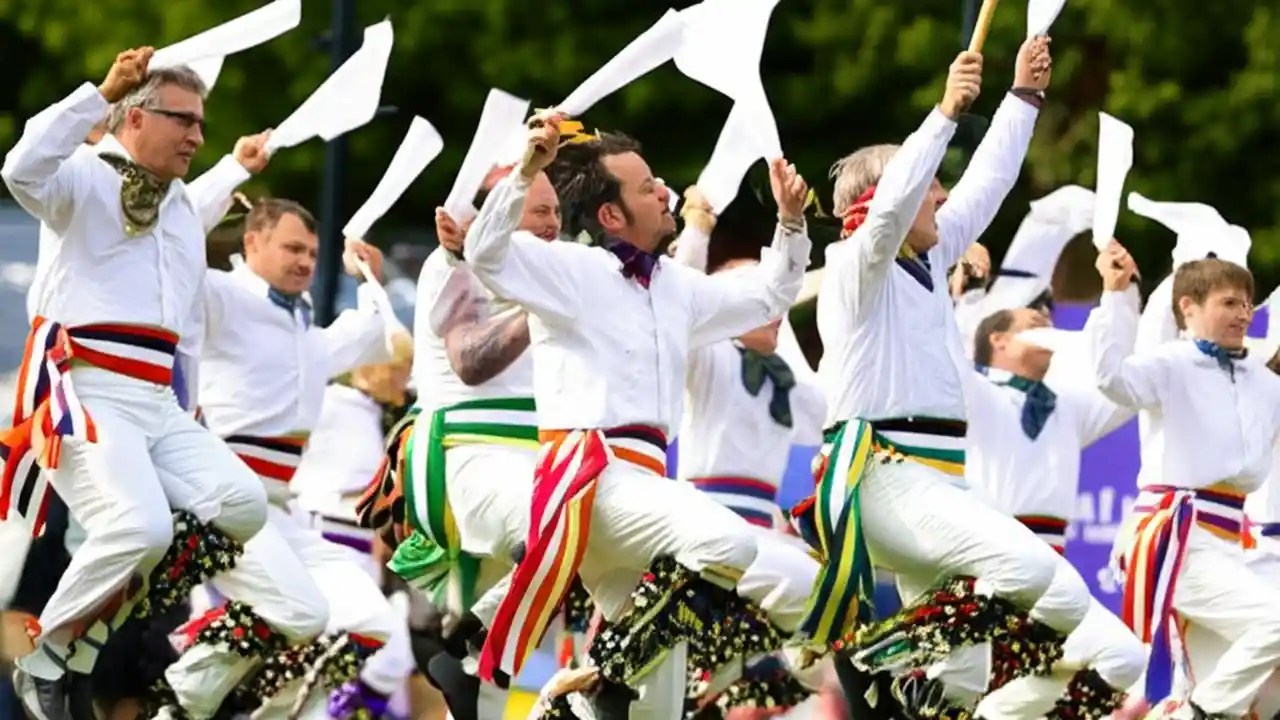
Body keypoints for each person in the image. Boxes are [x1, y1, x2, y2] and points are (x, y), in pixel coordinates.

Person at [460, 111, 812, 718]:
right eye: (647, 186)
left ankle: (574, 699)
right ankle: (591, 682)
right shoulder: (573, 268)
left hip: (640, 494)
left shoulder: (676, 284)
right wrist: (525, 171)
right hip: (587, 477)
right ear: (611, 215)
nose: (664, 191)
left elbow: (768, 296)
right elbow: (485, 255)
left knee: (662, 705)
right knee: (727, 542)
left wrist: (790, 222)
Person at [0, 48, 298, 720]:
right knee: (140, 526)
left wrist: (239, 167)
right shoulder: (78, 176)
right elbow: (19, 167)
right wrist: (97, 91)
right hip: (85, 389)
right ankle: (44, 655)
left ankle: (88, 636)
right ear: (132, 118)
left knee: (241, 505)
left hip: (156, 401)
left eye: (201, 123)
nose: (197, 134)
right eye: (183, 120)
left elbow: (199, 201)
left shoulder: (180, 207)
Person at [809, 37, 1088, 716]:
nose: (943, 195)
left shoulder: (927, 262)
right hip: (880, 472)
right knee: (1029, 573)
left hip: (941, 478)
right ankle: (868, 658)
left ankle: (902, 684)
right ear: (887, 199)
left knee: (962, 684)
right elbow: (891, 210)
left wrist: (1022, 96)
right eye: (931, 184)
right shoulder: (855, 264)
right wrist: (943, 114)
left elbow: (989, 183)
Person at [186, 197, 405, 717]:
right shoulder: (222, 294)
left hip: (280, 515)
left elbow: (378, 336)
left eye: (311, 251)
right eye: (292, 247)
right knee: (301, 615)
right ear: (252, 242)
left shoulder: (308, 339)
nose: (306, 260)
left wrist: (369, 277)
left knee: (373, 624)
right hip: (221, 502)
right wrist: (230, 175)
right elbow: (172, 252)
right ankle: (182, 699)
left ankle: (220, 702)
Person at [358, 163, 561, 720]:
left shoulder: (550, 275)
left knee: (501, 676)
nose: (553, 224)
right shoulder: (454, 266)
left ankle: (468, 656)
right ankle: (463, 645)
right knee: (561, 524)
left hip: (535, 462)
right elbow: (470, 363)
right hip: (466, 454)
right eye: (538, 211)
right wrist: (545, 307)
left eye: (556, 212)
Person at [1095, 247, 1280, 719]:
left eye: (1246, 303)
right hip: (1176, 537)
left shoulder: (1264, 382)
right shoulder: (1171, 363)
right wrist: (1115, 298)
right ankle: (1196, 713)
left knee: (1248, 690)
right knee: (1273, 628)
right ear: (1189, 307)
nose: (1242, 313)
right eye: (1228, 302)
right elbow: (1112, 379)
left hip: (1230, 541)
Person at [671, 188, 828, 713]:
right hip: (707, 527)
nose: (774, 311)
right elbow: (676, 303)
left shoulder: (791, 382)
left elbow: (837, 407)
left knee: (761, 690)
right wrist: (696, 230)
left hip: (763, 531)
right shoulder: (706, 356)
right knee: (694, 684)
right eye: (758, 300)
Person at [966, 305, 1146, 720]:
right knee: (980, 675)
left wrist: (1120, 295)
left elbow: (1125, 387)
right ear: (999, 339)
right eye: (1033, 323)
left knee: (1121, 658)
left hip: (1054, 571)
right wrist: (968, 292)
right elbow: (941, 345)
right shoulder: (973, 391)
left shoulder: (1067, 404)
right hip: (992, 563)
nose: (1047, 328)